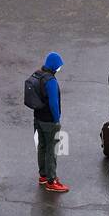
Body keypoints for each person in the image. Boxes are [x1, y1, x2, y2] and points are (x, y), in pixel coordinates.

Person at [31, 52, 68, 193]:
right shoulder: (51, 81)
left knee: (42, 146)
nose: (59, 68)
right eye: (59, 66)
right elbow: (53, 102)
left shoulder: (38, 74)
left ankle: (43, 175)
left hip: (38, 118)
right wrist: (57, 119)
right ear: (54, 66)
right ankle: (51, 181)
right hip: (49, 121)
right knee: (51, 150)